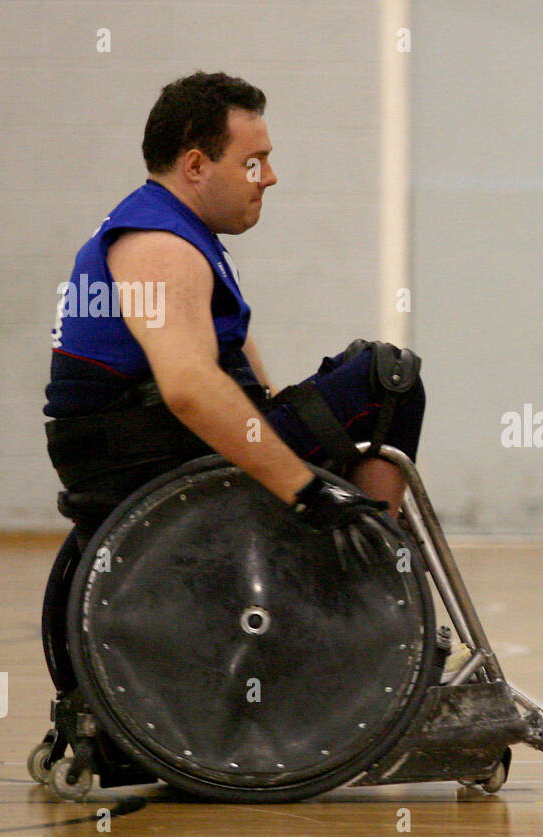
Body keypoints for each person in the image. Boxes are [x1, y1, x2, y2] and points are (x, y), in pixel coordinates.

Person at [44, 72, 426, 538]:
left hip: (166, 449)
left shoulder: (174, 229)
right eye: (254, 162)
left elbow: (250, 381)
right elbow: (188, 386)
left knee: (352, 372)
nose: (269, 177)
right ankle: (372, 560)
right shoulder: (159, 247)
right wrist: (304, 490)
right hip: (159, 462)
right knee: (389, 379)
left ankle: (362, 534)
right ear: (196, 166)